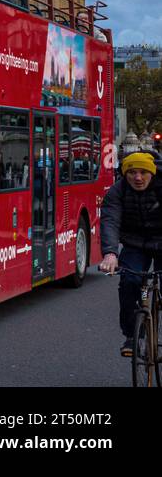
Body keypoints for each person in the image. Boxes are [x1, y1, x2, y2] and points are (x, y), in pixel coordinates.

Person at [100, 150, 162, 357]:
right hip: (135, 244)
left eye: (143, 172)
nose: (138, 177)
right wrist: (110, 254)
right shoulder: (117, 191)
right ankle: (133, 335)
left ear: (152, 173)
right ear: (124, 174)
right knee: (130, 282)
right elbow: (110, 220)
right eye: (132, 173)